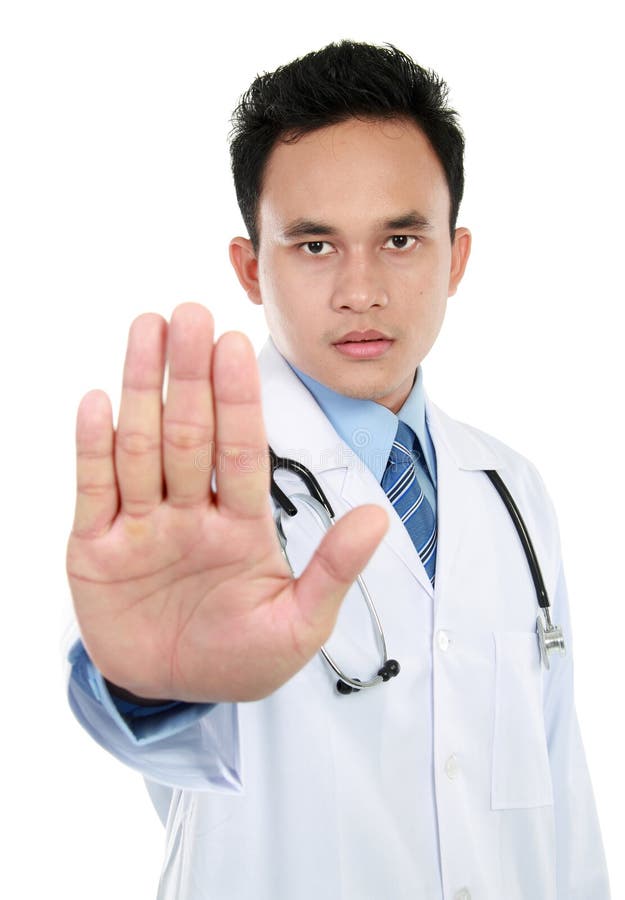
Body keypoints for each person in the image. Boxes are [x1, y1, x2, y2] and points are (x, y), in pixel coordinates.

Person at [64, 39, 611, 899]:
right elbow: (165, 745)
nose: (361, 290)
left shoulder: (510, 490)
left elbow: (562, 799)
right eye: (314, 247)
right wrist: (148, 687)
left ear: (454, 257)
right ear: (251, 267)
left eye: (398, 238)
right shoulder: (194, 494)